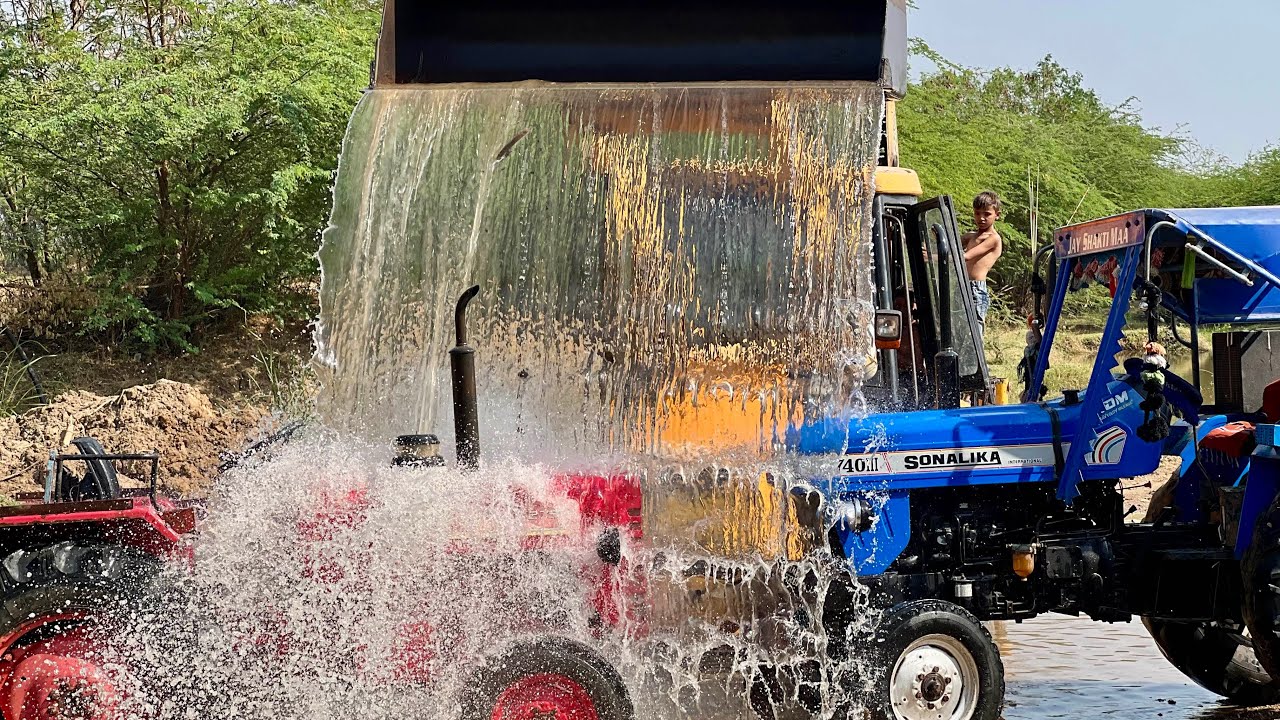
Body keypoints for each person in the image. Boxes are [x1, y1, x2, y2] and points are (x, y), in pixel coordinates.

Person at [961, 191, 1004, 335]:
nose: (981, 218)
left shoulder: (993, 239)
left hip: (975, 289)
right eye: (977, 213)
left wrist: (934, 257)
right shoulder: (970, 236)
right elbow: (945, 242)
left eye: (987, 214)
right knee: (959, 331)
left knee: (974, 333)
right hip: (962, 286)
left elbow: (966, 257)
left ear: (997, 215)